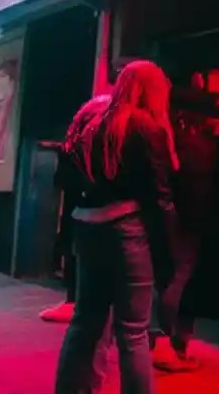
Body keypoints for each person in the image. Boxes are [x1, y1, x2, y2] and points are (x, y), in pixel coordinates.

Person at [54, 61, 178, 394]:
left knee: (86, 321)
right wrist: (168, 259)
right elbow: (160, 198)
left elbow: (63, 178)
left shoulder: (92, 122)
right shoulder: (145, 127)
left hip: (88, 226)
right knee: (134, 332)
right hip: (128, 229)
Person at [152, 83, 219, 373]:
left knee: (167, 278)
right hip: (192, 220)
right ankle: (169, 342)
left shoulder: (169, 140)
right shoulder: (202, 147)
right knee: (180, 278)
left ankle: (161, 341)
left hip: (168, 218)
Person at [40, 94, 111, 324]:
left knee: (73, 247)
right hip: (98, 207)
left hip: (77, 205)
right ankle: (79, 301)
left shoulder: (73, 141)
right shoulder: (103, 140)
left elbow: (61, 180)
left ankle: (73, 299)